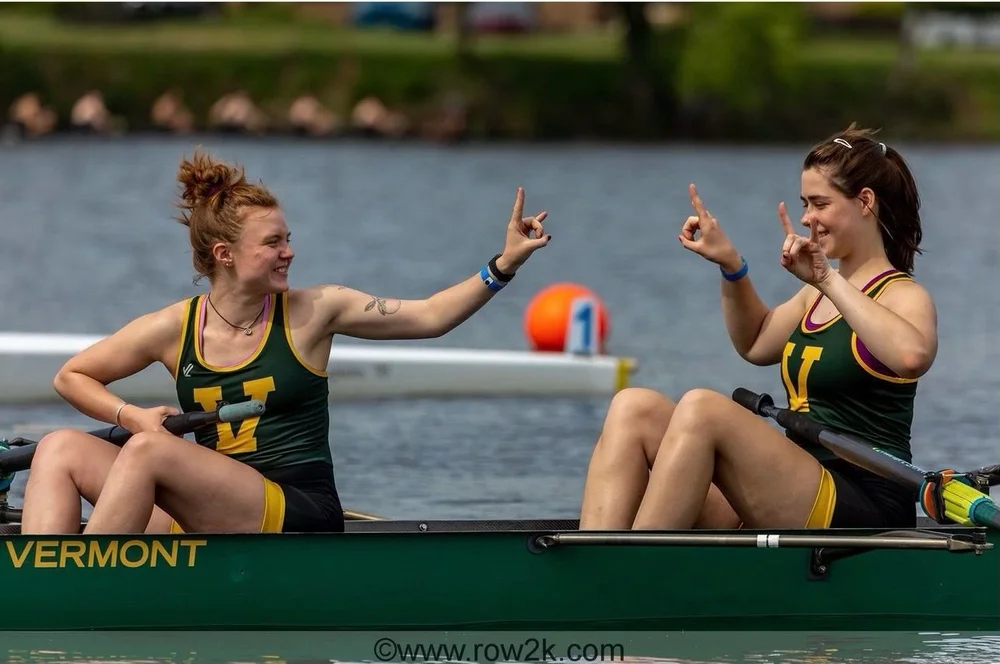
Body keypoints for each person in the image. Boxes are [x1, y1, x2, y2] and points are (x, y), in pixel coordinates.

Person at [21, 149, 551, 535]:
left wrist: (502, 265)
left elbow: (432, 317)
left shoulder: (317, 310)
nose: (289, 252)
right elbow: (71, 376)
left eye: (288, 239)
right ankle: (41, 593)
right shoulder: (172, 328)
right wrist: (128, 414)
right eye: (273, 242)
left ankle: (85, 586)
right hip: (209, 507)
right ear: (226, 254)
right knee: (58, 447)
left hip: (296, 508)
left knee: (148, 451)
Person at [579, 125, 936, 531]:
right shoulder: (813, 296)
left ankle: (627, 569)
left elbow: (912, 356)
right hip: (797, 484)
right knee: (633, 407)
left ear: (865, 202)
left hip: (867, 501)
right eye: (805, 204)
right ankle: (595, 560)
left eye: (820, 203)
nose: (807, 218)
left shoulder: (903, 295)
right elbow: (755, 342)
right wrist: (731, 267)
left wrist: (828, 280)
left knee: (703, 408)